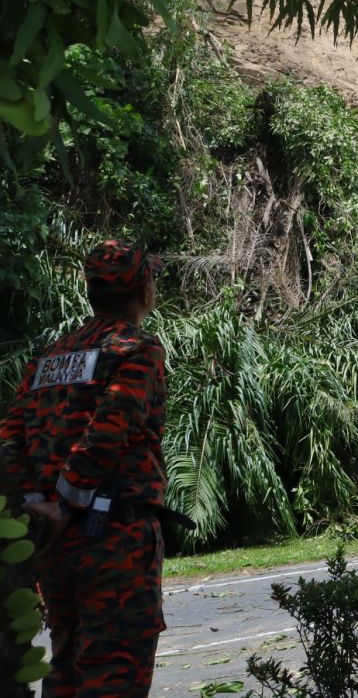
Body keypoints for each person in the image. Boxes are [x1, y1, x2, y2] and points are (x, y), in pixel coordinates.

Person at [0, 241, 170, 698]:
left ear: (92, 292)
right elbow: (111, 427)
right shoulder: (138, 348)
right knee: (114, 672)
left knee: (68, 666)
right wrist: (66, 503)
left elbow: (9, 437)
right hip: (113, 535)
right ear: (145, 291)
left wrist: (37, 505)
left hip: (53, 546)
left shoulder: (48, 358)